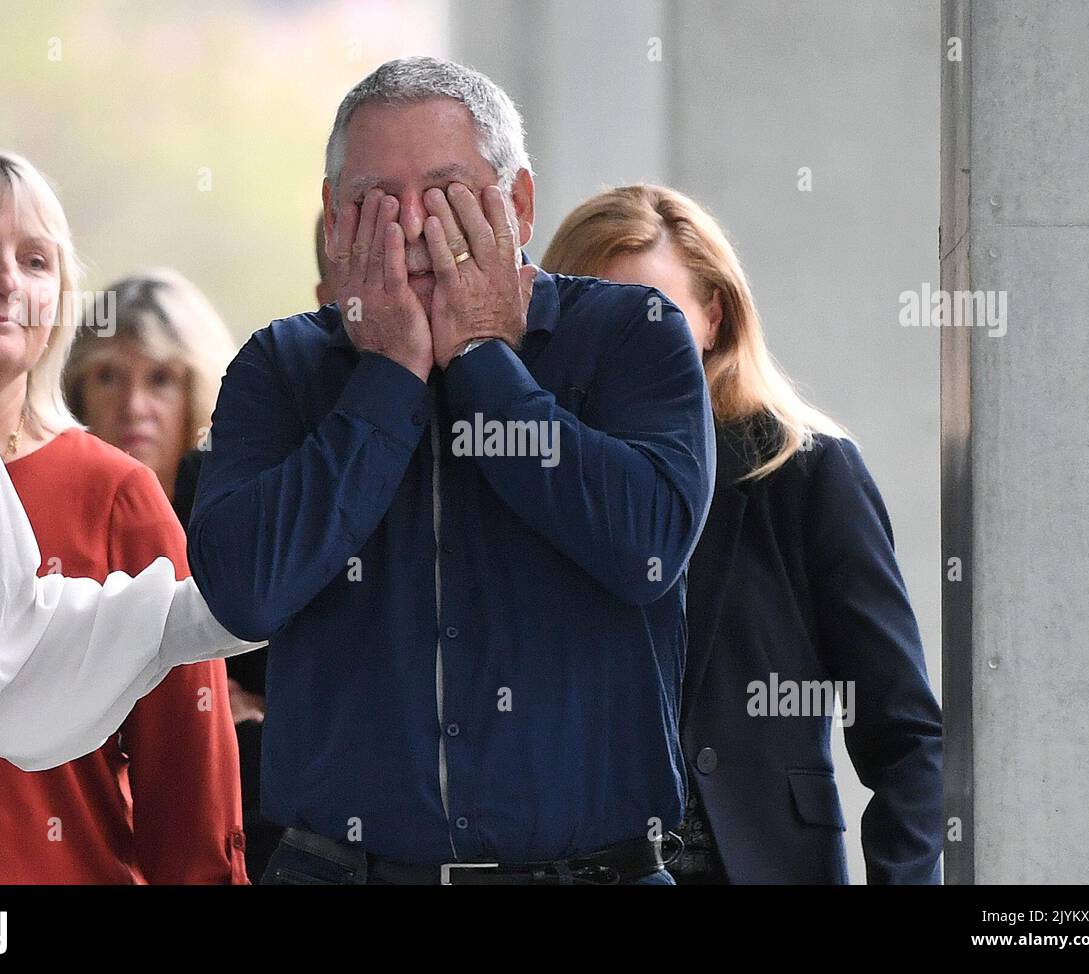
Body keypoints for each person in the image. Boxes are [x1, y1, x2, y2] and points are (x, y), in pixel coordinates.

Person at [188, 57, 716, 885]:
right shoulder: (281, 365)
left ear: (520, 205)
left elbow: (646, 548)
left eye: (444, 193)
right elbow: (243, 593)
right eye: (372, 201)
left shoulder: (633, 333)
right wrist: (389, 375)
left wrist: (481, 357)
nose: (407, 227)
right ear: (332, 218)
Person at [0, 113, 254, 885]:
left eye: (36, 261)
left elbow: (187, 771)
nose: (7, 282)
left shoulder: (120, 495)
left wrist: (254, 592)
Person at [543, 184, 943, 884]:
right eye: (597, 315)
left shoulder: (806, 473)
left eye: (654, 314)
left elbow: (906, 736)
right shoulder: (523, 477)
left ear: (714, 318)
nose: (625, 345)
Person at [65, 268, 280, 879]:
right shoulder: (47, 521)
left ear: (200, 389)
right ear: (75, 390)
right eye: (108, 376)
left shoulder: (241, 517)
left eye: (160, 379)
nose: (133, 406)